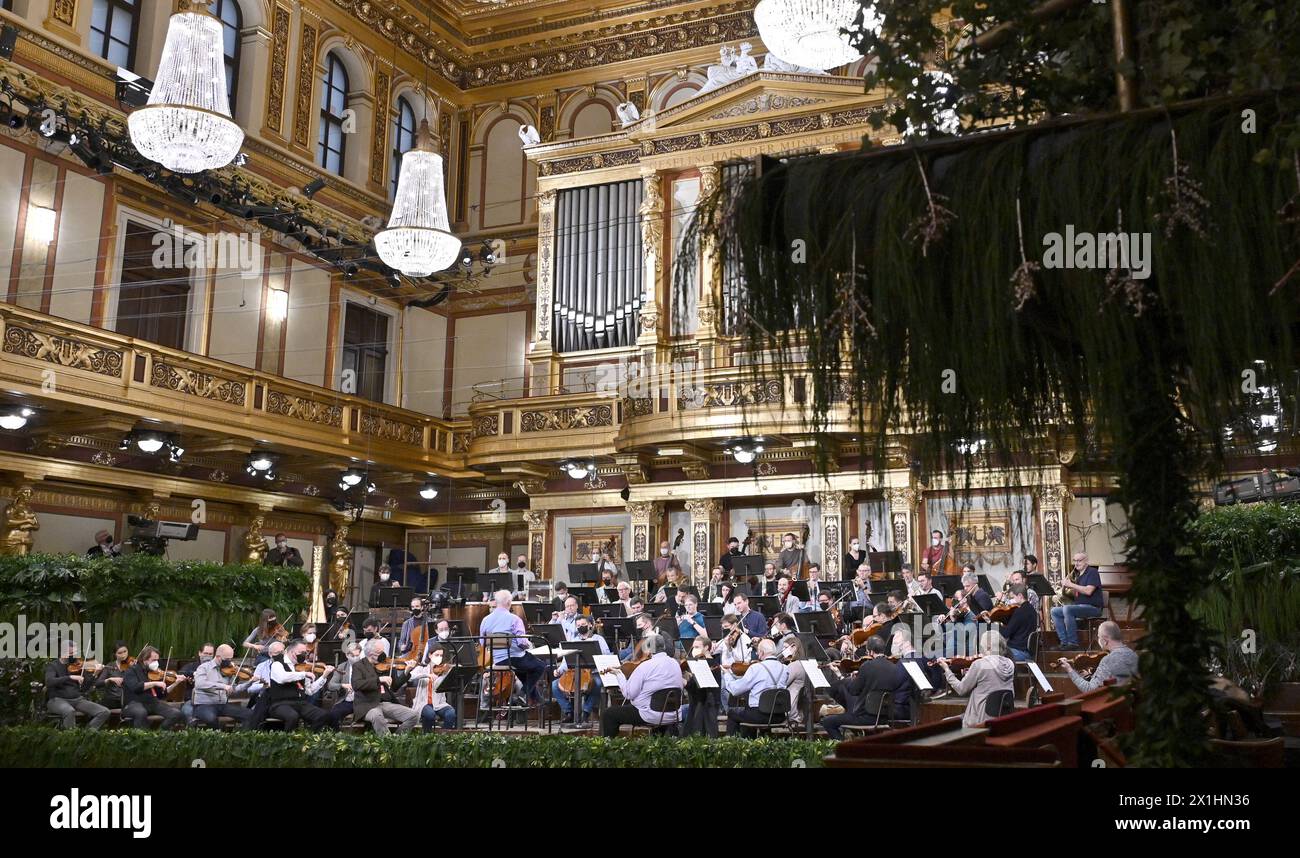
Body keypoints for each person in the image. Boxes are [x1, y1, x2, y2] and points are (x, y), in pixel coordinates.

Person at [599, 634, 682, 736]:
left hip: (651, 714)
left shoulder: (645, 666)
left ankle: (607, 748)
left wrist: (619, 674)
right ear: (663, 647)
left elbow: (629, 694)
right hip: (673, 713)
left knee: (609, 714)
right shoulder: (675, 663)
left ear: (648, 649)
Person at [821, 636, 898, 738]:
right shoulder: (894, 667)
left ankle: (845, 750)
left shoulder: (867, 666)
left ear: (870, 652)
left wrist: (840, 676)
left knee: (827, 722)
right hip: (886, 717)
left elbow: (853, 691)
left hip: (865, 717)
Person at [936, 631, 1016, 728]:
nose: (980, 650)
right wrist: (970, 673)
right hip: (1000, 718)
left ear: (989, 646)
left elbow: (961, 689)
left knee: (943, 723)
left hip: (978, 720)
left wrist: (947, 670)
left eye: (981, 646)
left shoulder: (979, 664)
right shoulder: (1010, 664)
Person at [480, 590, 545, 706]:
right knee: (540, 666)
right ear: (509, 602)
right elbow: (521, 643)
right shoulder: (515, 619)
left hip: (497, 660)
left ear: (496, 602)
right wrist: (529, 645)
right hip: (514, 658)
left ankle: (538, 700)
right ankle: (523, 694)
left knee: (524, 674)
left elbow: (482, 642)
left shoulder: (485, 620)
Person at [351, 638, 419, 734]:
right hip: (367, 705)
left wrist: (406, 671)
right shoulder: (359, 666)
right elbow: (357, 685)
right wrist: (378, 680)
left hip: (385, 703)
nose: (383, 655)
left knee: (414, 715)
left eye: (383, 651)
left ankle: (397, 740)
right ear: (371, 653)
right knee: (376, 715)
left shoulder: (387, 664)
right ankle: (387, 743)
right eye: (380, 652)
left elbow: (394, 686)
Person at [552, 617, 609, 725]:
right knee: (555, 685)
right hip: (575, 672)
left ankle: (585, 713)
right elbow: (566, 660)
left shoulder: (598, 639)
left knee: (597, 683)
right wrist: (559, 670)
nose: (580, 627)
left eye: (583, 624)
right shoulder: (573, 641)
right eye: (578, 625)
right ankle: (569, 712)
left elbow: (606, 655)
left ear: (590, 625)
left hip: (594, 672)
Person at [724, 638, 789, 735]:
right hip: (779, 716)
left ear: (762, 652)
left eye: (758, 652)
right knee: (747, 712)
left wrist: (727, 675)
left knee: (732, 713)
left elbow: (735, 690)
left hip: (759, 714)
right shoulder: (785, 668)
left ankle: (734, 745)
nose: (758, 654)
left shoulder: (756, 668)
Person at [266, 639, 334, 730]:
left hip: (300, 703)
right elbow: (282, 678)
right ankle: (288, 741)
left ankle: (310, 738)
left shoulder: (302, 667)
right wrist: (304, 674)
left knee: (323, 715)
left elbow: (309, 690)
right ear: (291, 652)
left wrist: (324, 676)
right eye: (301, 652)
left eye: (305, 653)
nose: (304, 655)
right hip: (280, 704)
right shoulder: (277, 664)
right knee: (292, 716)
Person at [45, 641, 110, 729]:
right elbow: (49, 682)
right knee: (69, 711)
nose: (74, 656)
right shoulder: (53, 666)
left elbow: (85, 688)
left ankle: (87, 735)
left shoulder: (77, 666)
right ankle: (71, 737)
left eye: (76, 653)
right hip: (57, 700)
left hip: (77, 700)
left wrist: (95, 674)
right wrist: (70, 677)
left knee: (104, 711)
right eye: (71, 653)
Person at [1059, 621, 1139, 692]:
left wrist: (1069, 669)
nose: (1098, 640)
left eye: (1099, 637)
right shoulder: (1134, 655)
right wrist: (1089, 676)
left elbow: (1089, 689)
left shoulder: (1107, 660)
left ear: (1105, 641)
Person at [191, 644, 255, 729]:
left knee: (250, 714)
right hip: (204, 705)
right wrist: (223, 686)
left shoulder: (229, 670)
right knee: (210, 718)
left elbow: (234, 689)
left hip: (222, 705)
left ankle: (241, 738)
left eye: (231, 659)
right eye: (227, 659)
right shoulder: (203, 667)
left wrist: (249, 683)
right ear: (218, 657)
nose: (230, 662)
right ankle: (217, 739)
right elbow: (200, 684)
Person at [122, 646, 186, 730]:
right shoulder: (131, 671)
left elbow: (162, 694)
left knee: (176, 713)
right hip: (134, 703)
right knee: (141, 713)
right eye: (153, 660)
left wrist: (176, 683)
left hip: (152, 702)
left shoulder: (154, 673)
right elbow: (136, 687)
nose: (156, 663)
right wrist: (154, 683)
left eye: (157, 660)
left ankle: (159, 734)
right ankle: (141, 737)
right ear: (144, 659)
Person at [1052, 552, 1104, 650]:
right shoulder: (1077, 575)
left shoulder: (1092, 572)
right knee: (1054, 611)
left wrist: (1070, 585)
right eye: (1075, 561)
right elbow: (1075, 594)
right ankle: (1064, 643)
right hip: (1080, 606)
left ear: (1086, 561)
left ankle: (1073, 643)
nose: (1076, 563)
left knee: (1067, 609)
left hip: (1094, 608)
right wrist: (1064, 591)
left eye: (1079, 560)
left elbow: (1089, 591)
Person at [942, 571, 994, 657]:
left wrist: (959, 616)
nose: (965, 589)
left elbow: (979, 616)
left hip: (980, 633)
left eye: (968, 586)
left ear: (975, 584)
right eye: (964, 586)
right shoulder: (971, 597)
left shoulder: (982, 596)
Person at [409, 644, 458, 730]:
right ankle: (427, 736)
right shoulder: (421, 668)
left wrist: (448, 673)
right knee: (430, 714)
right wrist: (427, 675)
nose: (439, 657)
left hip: (439, 703)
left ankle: (444, 737)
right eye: (436, 655)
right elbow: (410, 677)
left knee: (451, 713)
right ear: (430, 655)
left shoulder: (443, 671)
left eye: (441, 655)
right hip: (423, 703)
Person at [681, 635, 720, 737]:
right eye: (693, 647)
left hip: (704, 703)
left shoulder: (706, 663)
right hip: (702, 702)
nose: (694, 650)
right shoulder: (713, 662)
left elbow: (696, 687)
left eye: (697, 647)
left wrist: (684, 682)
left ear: (706, 647)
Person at [998, 583, 1038, 661]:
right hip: (1026, 651)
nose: (1010, 601)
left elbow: (1006, 634)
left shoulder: (1020, 612)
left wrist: (994, 626)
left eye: (1012, 597)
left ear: (1020, 596)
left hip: (1018, 652)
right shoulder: (1031, 609)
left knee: (992, 654)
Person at [93, 641, 133, 711]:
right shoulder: (110, 666)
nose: (123, 655)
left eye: (125, 651)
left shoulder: (133, 665)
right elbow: (97, 683)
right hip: (112, 699)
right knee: (97, 708)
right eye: (119, 653)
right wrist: (109, 679)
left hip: (128, 699)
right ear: (115, 654)